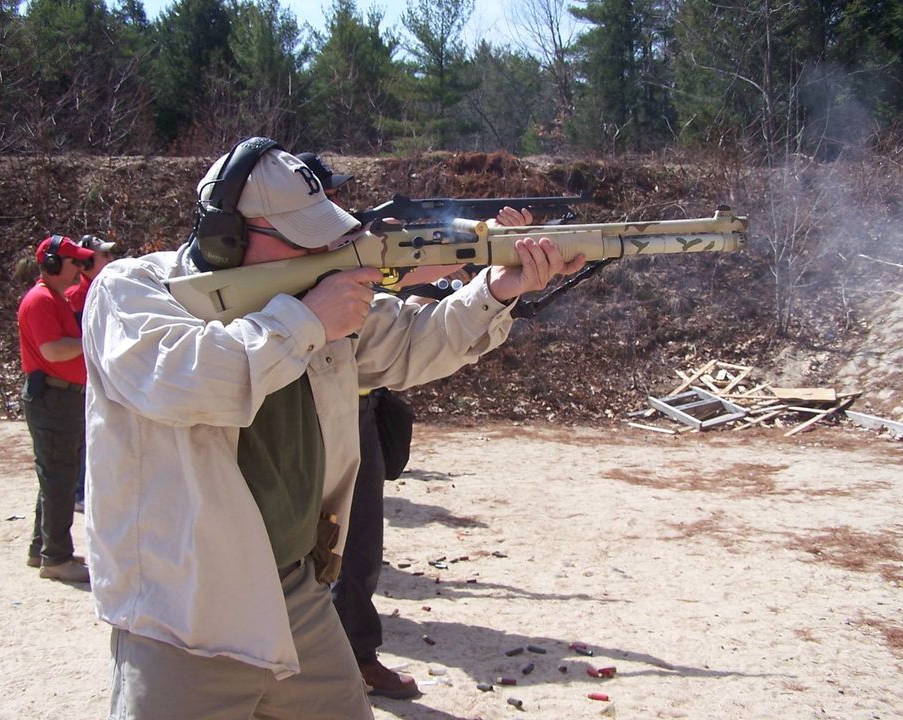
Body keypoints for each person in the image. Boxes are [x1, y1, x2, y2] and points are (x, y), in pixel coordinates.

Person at [81, 138, 585, 719]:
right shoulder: (130, 291)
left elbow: (412, 346)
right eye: (301, 236)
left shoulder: (300, 300)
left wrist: (498, 289)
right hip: (182, 614)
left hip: (298, 594)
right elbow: (183, 382)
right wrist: (305, 321)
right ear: (228, 235)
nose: (323, 249)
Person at [297, 153, 536, 698]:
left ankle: (355, 655)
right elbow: (399, 278)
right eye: (324, 195)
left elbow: (412, 327)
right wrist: (463, 259)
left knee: (357, 549)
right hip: (311, 413)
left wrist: (486, 273)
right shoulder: (325, 256)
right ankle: (333, 663)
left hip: (361, 405)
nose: (336, 202)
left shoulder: (354, 243)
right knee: (315, 552)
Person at [18, 234, 94, 583]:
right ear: (50, 264)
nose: (80, 267)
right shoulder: (41, 300)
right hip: (54, 398)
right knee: (59, 477)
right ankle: (57, 558)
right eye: (73, 261)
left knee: (55, 476)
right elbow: (53, 351)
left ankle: (43, 549)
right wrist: (90, 340)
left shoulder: (55, 298)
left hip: (61, 397)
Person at [64, 233, 118, 512]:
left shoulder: (108, 289)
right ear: (85, 264)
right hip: (84, 376)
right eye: (104, 255)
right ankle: (80, 492)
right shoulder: (76, 295)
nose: (110, 259)